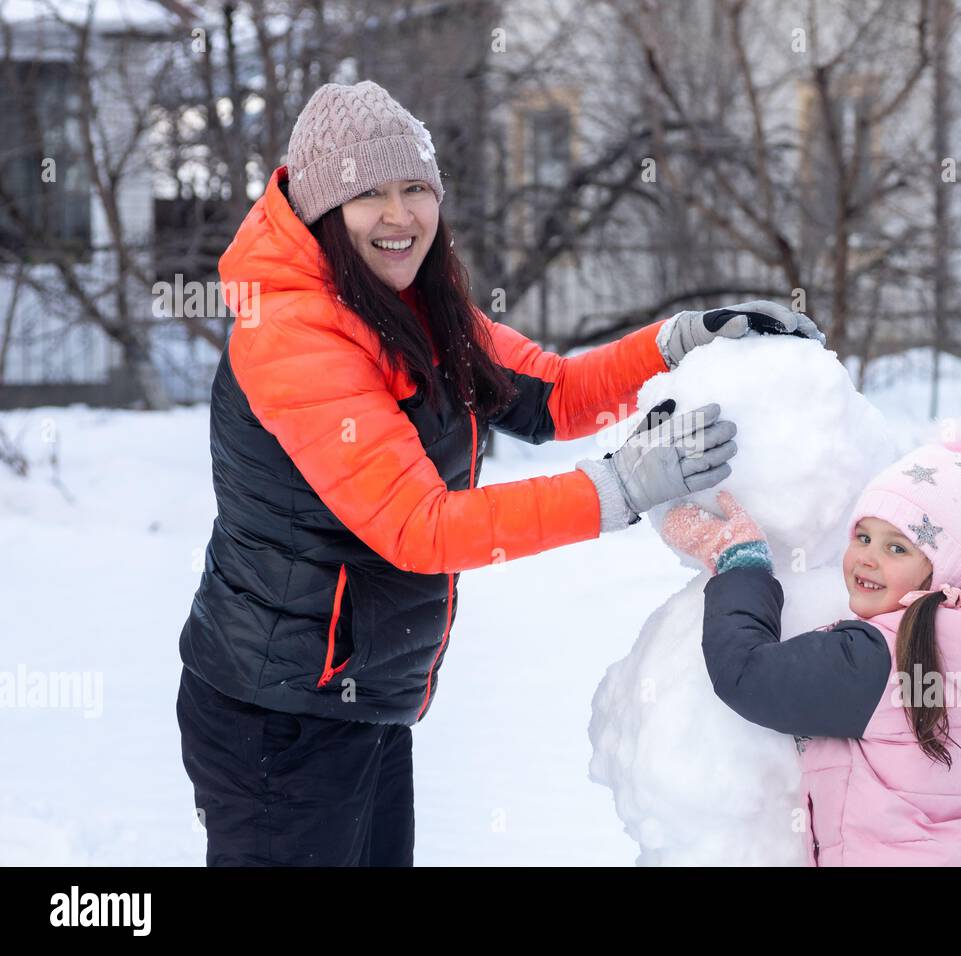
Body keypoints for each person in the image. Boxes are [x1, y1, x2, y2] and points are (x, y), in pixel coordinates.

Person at [175, 79, 823, 866]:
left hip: (357, 699)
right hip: (277, 714)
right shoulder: (295, 332)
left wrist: (680, 339)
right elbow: (419, 528)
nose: (399, 215)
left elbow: (551, 395)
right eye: (368, 193)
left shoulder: (412, 303)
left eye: (415, 188)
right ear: (320, 210)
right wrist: (616, 489)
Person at [662, 416, 961, 866]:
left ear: (947, 571)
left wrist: (741, 565)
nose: (868, 559)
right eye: (863, 536)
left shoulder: (877, 657)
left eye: (897, 548)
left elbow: (746, 676)